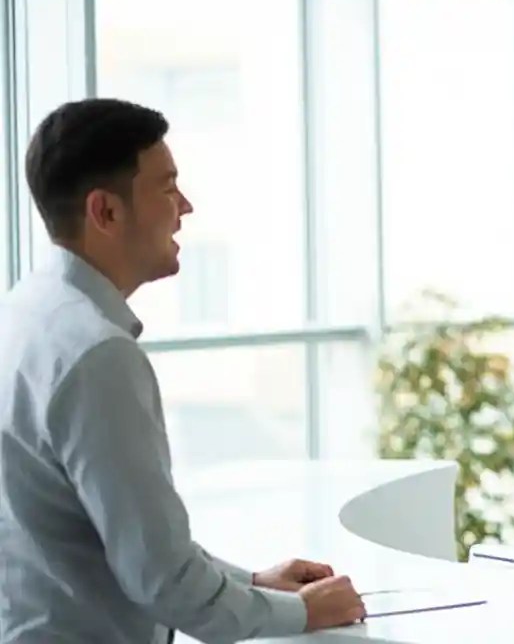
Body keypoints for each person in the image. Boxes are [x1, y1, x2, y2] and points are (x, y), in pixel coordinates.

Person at [0, 99, 366, 642]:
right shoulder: (97, 355)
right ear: (106, 212)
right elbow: (163, 581)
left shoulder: (24, 313)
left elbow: (129, 543)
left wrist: (253, 583)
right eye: (168, 188)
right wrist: (303, 613)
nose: (186, 207)